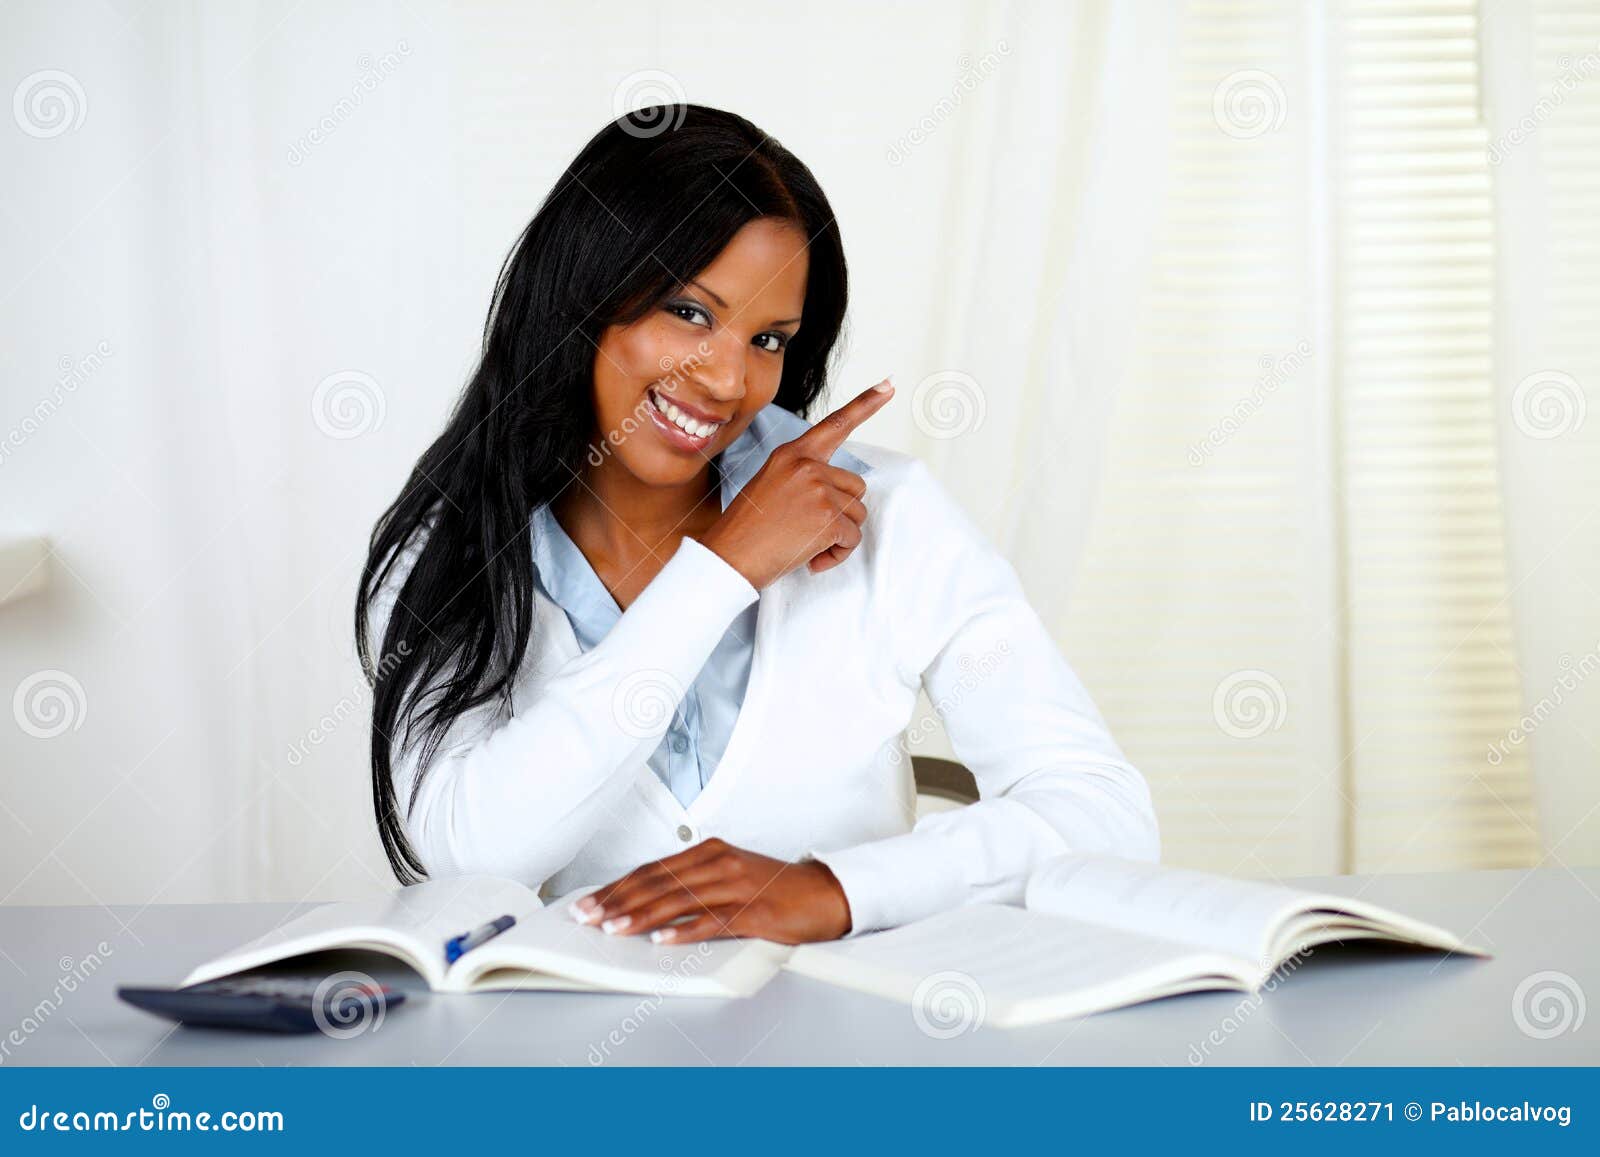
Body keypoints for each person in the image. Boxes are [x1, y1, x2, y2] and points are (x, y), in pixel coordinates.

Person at [357, 104, 1158, 946]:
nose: (728, 380)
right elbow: (472, 853)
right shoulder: (451, 545)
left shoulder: (884, 510)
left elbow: (1105, 814)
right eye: (690, 312)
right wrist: (722, 568)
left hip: (854, 1022)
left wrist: (834, 890)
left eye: (769, 339)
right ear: (581, 293)